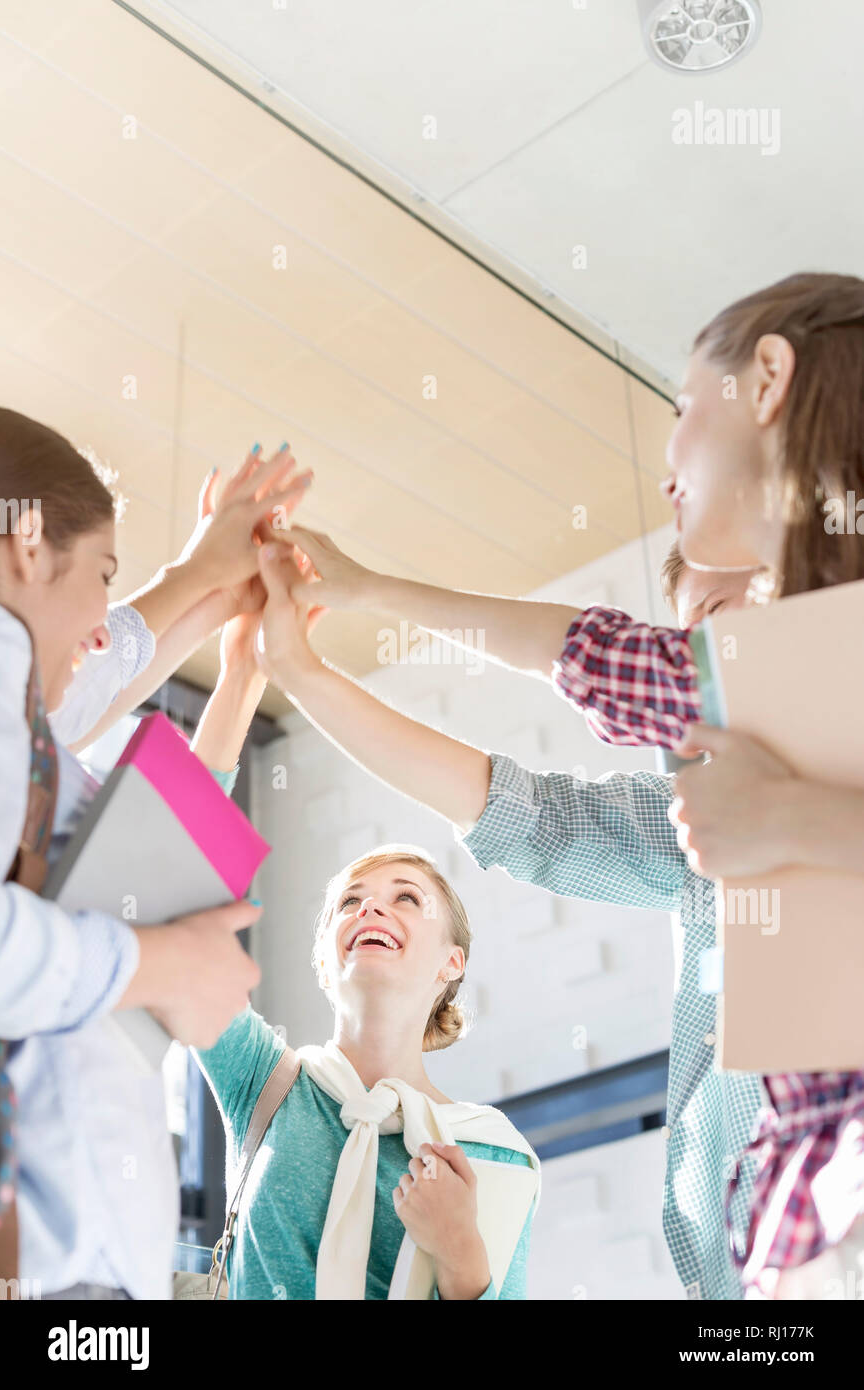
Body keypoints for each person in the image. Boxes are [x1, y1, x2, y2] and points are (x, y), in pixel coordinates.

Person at [262, 271, 864, 1300]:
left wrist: (792, 818)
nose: (670, 461)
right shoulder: (695, 828)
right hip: (780, 1259)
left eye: (681, 410)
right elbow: (569, 682)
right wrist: (321, 641)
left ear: (766, 378)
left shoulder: (488, 1152)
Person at [0, 410, 307, 1299]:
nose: (102, 624)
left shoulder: (30, 730)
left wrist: (211, 595)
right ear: (26, 543)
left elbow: (97, 672)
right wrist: (162, 964)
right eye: (102, 574)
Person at [186, 611, 539, 1301]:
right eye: (350, 903)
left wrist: (463, 1259)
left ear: (451, 963)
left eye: (406, 898)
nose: (371, 909)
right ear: (326, 957)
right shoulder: (266, 1083)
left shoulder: (496, 1151)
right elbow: (177, 879)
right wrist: (240, 676)